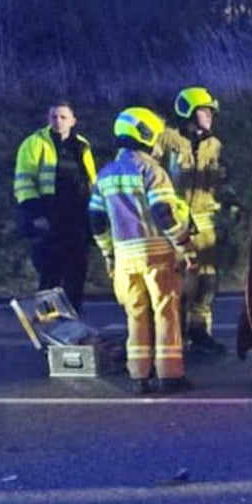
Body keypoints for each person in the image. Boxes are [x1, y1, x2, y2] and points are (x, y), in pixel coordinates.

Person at [89, 107, 196, 395]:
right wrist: (185, 246)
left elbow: (97, 221)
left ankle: (139, 376)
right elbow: (164, 213)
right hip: (156, 254)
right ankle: (170, 375)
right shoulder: (151, 170)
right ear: (146, 134)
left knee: (135, 314)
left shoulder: (105, 174)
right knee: (165, 312)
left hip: (124, 257)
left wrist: (109, 254)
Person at [156, 87, 232, 354]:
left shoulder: (215, 144)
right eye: (204, 110)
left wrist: (230, 204)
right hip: (174, 223)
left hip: (205, 223)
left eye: (211, 111)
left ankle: (200, 332)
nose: (209, 115)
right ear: (187, 111)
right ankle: (174, 335)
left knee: (207, 281)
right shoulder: (167, 140)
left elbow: (220, 179)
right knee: (175, 282)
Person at [13, 101, 97, 311]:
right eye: (54, 117)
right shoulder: (34, 143)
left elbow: (90, 180)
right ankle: (49, 328)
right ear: (48, 119)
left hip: (78, 217)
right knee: (50, 276)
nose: (58, 121)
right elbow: (24, 182)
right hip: (50, 216)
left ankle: (74, 326)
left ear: (73, 121)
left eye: (63, 117)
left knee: (77, 275)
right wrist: (36, 214)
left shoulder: (81, 145)